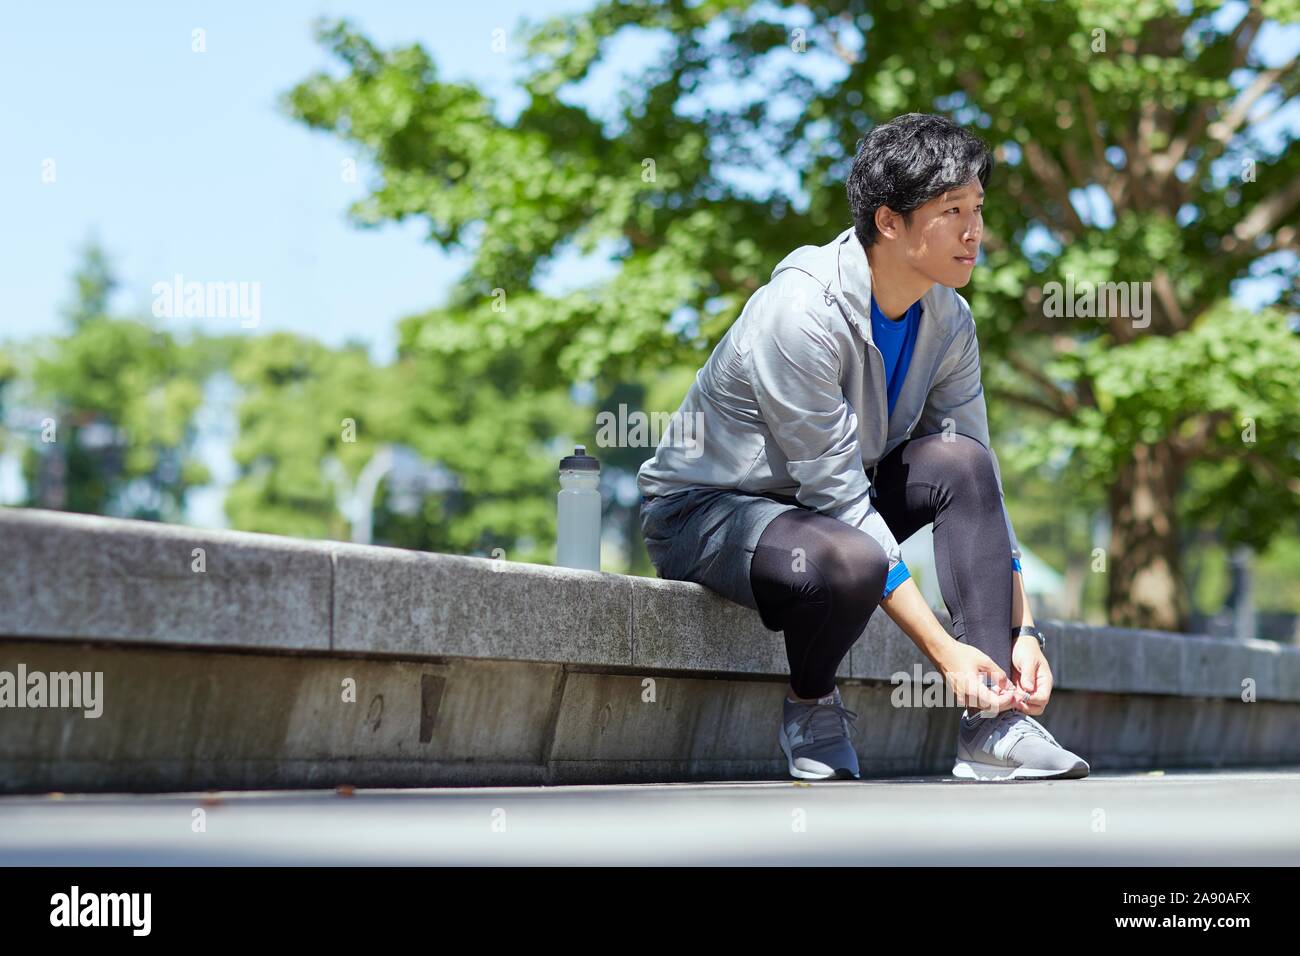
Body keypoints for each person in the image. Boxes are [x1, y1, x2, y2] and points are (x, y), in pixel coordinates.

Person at [637, 113, 1089, 782]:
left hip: (833, 500)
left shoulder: (949, 318)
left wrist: (1025, 632)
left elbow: (979, 486)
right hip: (711, 512)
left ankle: (994, 724)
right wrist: (944, 654)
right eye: (951, 211)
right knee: (849, 557)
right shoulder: (800, 313)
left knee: (963, 461)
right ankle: (810, 703)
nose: (975, 231)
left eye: (977, 209)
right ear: (889, 222)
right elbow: (843, 507)